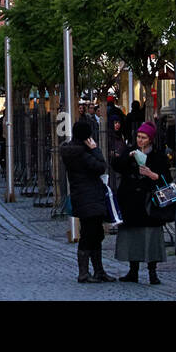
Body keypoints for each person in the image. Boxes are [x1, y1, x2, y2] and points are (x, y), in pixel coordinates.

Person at [109, 121, 169, 284]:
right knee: (132, 238)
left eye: (143, 137)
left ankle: (152, 273)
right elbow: (116, 166)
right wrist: (126, 157)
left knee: (151, 238)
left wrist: (152, 175)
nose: (140, 140)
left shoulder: (158, 156)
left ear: (150, 139)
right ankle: (133, 271)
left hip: (150, 203)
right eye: (138, 137)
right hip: (131, 202)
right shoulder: (130, 151)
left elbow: (166, 179)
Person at [60, 118, 112, 283]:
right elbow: (100, 167)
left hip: (83, 197)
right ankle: (85, 272)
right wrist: (95, 150)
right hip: (89, 197)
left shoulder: (72, 151)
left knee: (94, 233)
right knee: (90, 234)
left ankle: (98, 270)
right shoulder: (81, 153)